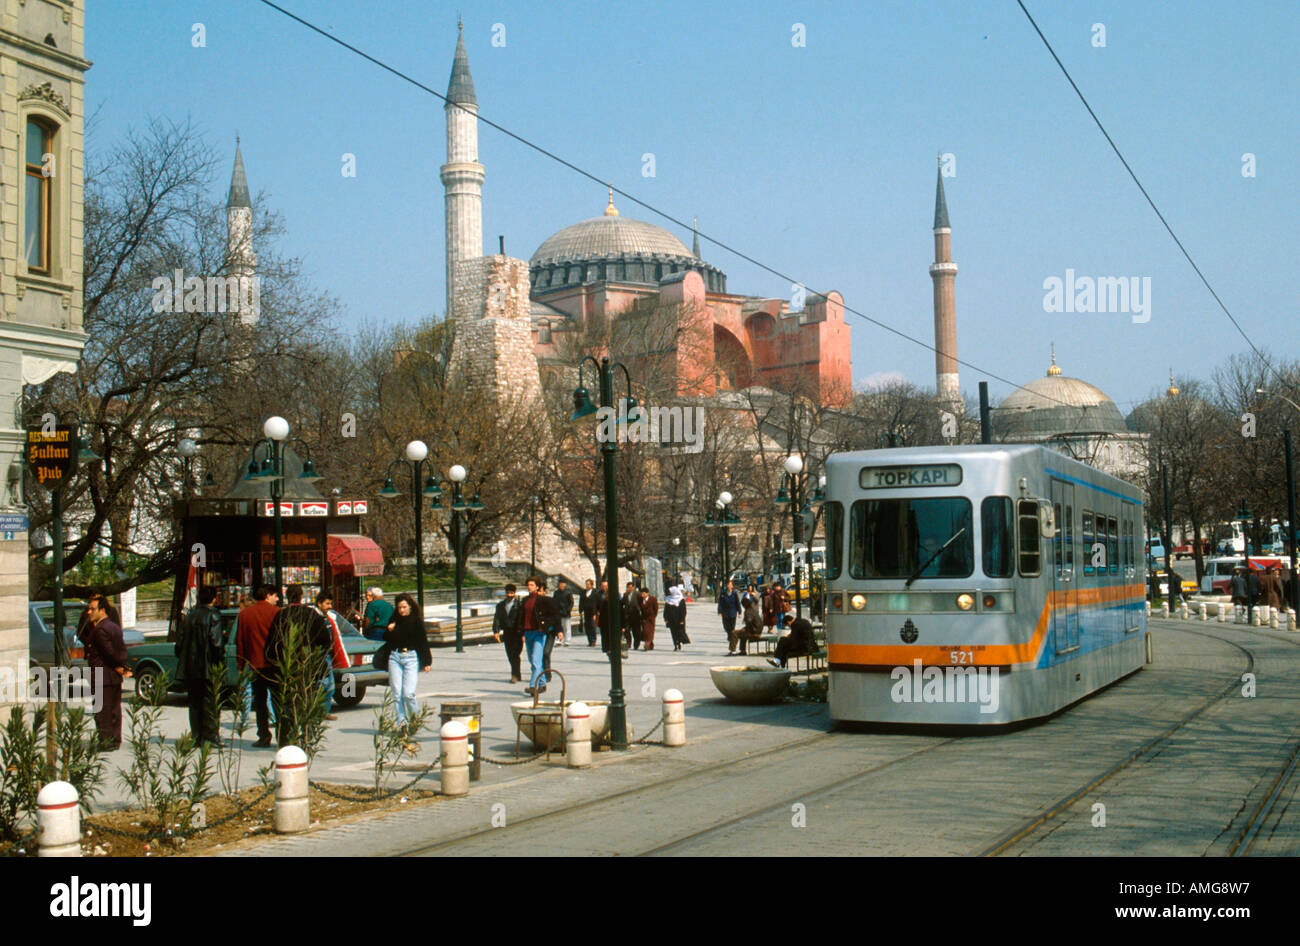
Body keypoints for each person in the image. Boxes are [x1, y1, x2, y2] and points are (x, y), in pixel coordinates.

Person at [265, 584, 334, 746]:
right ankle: (307, 736)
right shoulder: (310, 615)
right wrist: (318, 659)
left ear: (287, 597)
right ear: (302, 596)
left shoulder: (281, 616)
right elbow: (325, 640)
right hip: (307, 665)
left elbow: (272, 643)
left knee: (286, 704)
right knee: (306, 700)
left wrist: (277, 662)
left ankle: (286, 739)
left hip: (287, 666)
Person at [176, 586, 226, 746]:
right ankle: (210, 736)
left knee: (194, 702)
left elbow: (179, 644)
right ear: (213, 598)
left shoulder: (189, 616)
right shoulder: (213, 615)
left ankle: (197, 736)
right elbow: (216, 643)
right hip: (208, 666)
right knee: (210, 702)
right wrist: (219, 661)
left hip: (190, 667)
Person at [82, 594, 131, 749]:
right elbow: (121, 650)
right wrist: (121, 666)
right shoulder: (114, 626)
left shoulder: (100, 630)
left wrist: (118, 665)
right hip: (113, 676)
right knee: (114, 709)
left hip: (102, 675)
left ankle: (106, 741)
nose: (89, 612)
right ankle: (115, 740)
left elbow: (109, 653)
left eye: (92, 609)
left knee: (103, 711)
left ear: (102, 610)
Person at [236, 585, 280, 747]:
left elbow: (240, 641)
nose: (277, 599)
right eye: (275, 595)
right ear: (268, 596)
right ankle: (282, 735)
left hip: (255, 664)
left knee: (260, 702)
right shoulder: (276, 612)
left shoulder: (245, 614)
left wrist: (241, 665)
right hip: (274, 664)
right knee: (277, 700)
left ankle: (263, 735)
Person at [384, 593, 432, 735]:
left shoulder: (416, 621)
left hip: (411, 657)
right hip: (395, 657)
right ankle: (402, 724)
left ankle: (415, 720)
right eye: (399, 607)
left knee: (408, 693)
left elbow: (422, 641)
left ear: (410, 606)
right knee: (397, 693)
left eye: (404, 607)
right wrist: (389, 630)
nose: (402, 610)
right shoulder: (394, 620)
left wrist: (427, 661)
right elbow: (385, 638)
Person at [513, 576, 553, 695]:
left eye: (532, 585)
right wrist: (521, 632)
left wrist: (549, 628)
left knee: (536, 660)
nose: (529, 587)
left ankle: (533, 686)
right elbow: (521, 616)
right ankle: (542, 683)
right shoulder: (525, 600)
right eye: (528, 585)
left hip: (539, 633)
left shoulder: (542, 600)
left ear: (537, 587)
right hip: (528, 632)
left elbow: (553, 614)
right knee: (532, 660)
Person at [315, 592, 348, 720]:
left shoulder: (329, 617)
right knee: (323, 684)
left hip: (328, 655)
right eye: (327, 603)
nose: (330, 606)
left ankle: (325, 711)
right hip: (319, 655)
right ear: (319, 604)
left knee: (330, 685)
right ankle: (319, 711)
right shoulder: (315, 617)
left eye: (330, 603)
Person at [492, 583, 523, 683]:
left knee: (515, 653)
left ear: (514, 593)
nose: (509, 595)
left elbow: (523, 619)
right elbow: (497, 618)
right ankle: (517, 674)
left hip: (517, 632)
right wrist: (496, 631)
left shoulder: (519, 605)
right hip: (507, 632)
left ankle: (514, 675)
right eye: (508, 593)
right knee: (510, 654)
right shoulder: (501, 605)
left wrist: (524, 633)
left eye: (511, 593)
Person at [717, 579, 742, 655]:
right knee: (726, 626)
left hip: (733, 612)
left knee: (732, 627)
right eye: (728, 584)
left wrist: (739, 612)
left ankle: (731, 637)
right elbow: (720, 603)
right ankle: (729, 635)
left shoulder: (734, 593)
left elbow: (737, 603)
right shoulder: (723, 593)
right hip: (725, 612)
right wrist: (719, 611)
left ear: (732, 586)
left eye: (730, 584)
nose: (729, 586)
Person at [664, 582, 690, 650]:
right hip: (671, 619)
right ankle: (676, 644)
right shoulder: (668, 599)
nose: (670, 593)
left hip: (679, 619)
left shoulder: (681, 600)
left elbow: (683, 611)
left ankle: (679, 642)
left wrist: (682, 620)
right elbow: (665, 610)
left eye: (671, 591)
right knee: (673, 632)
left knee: (679, 632)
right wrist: (666, 619)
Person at [740, 586, 764, 657]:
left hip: (754, 626)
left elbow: (757, 600)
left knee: (742, 634)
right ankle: (741, 650)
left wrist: (753, 596)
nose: (750, 590)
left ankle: (742, 650)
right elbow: (743, 600)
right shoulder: (745, 594)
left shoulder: (755, 595)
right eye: (749, 589)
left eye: (751, 589)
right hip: (752, 619)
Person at [552, 578, 574, 648]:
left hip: (566, 612)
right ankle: (559, 640)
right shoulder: (556, 593)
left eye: (563, 584)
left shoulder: (568, 592)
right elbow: (554, 602)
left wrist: (568, 610)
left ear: (565, 584)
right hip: (558, 612)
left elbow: (571, 602)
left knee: (567, 627)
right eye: (560, 584)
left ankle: (567, 640)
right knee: (559, 626)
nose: (561, 585)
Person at [638, 586, 659, 651]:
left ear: (647, 593)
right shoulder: (641, 600)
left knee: (649, 632)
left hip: (650, 618)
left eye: (644, 593)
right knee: (645, 632)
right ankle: (650, 644)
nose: (642, 595)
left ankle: (647, 645)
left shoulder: (653, 599)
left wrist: (653, 616)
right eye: (642, 593)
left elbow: (656, 609)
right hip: (644, 618)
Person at [622, 582, 642, 649]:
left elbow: (641, 603)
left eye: (631, 587)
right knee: (626, 630)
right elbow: (622, 603)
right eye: (628, 587)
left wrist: (639, 610)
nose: (629, 589)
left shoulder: (637, 594)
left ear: (633, 587)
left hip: (636, 615)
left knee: (636, 631)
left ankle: (636, 644)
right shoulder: (625, 594)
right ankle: (628, 643)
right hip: (627, 616)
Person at [579, 578, 598, 646]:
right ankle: (589, 640)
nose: (587, 586)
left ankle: (593, 640)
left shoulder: (595, 592)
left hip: (593, 612)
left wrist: (595, 613)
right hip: (586, 611)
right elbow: (581, 601)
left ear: (592, 585)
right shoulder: (583, 592)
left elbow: (596, 603)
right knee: (587, 626)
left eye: (588, 584)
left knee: (592, 626)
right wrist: (580, 610)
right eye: (586, 584)